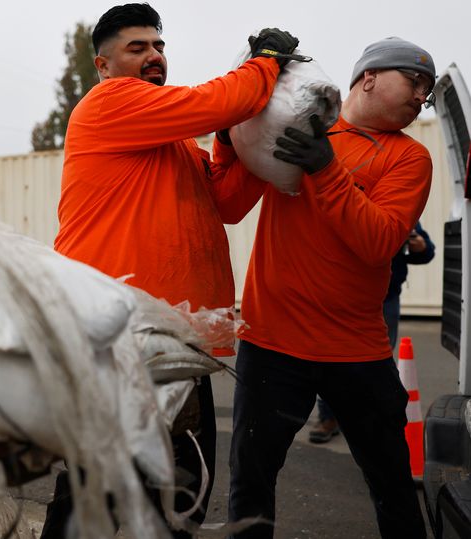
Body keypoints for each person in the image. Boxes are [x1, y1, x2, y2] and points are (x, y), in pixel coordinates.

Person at [45, 3, 300, 538]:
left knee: (178, 487)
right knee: (98, 490)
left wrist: (234, 145)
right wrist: (267, 63)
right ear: (103, 64)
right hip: (118, 336)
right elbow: (217, 99)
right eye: (137, 48)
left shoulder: (176, 139)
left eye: (158, 46)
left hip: (173, 339)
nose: (154, 56)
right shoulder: (109, 103)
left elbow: (225, 203)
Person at [228, 37, 436, 538]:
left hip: (356, 352)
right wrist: (231, 125)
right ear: (369, 77)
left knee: (392, 486)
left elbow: (379, 240)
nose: (420, 97)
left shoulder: (410, 159)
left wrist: (325, 169)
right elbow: (229, 205)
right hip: (272, 343)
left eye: (427, 92)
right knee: (250, 486)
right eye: (415, 82)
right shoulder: (300, 123)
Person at [309, 221, 436, 443]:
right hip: (339, 296)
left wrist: (421, 247)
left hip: (385, 299)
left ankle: (373, 425)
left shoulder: (394, 205)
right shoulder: (342, 200)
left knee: (376, 364)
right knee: (330, 358)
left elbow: (425, 251)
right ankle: (329, 417)